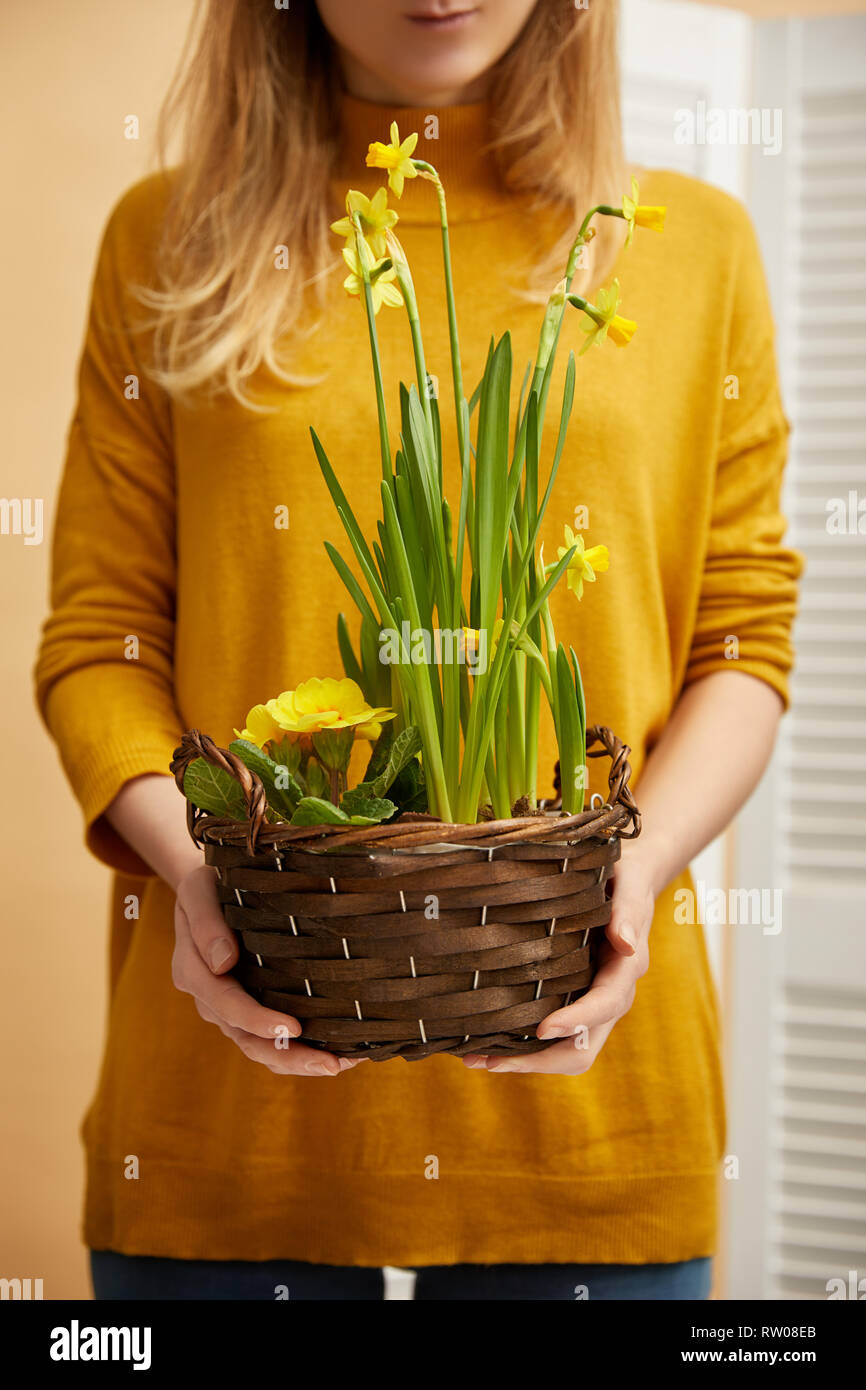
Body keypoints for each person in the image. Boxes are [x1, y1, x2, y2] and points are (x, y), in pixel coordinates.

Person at [34, 0, 800, 1301]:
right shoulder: (170, 238)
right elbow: (97, 640)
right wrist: (199, 869)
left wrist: (632, 869)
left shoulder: (690, 247)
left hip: (589, 1105)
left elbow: (743, 636)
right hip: (235, 1090)